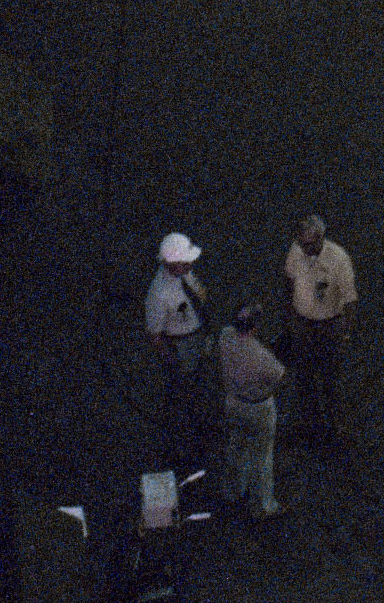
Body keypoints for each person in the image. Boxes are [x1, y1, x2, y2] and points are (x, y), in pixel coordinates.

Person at [282, 213, 358, 444]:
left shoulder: (338, 259)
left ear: (321, 238)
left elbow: (350, 299)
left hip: (329, 325)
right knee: (304, 378)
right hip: (304, 323)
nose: (305, 249)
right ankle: (310, 425)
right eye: (302, 243)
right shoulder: (296, 251)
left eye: (310, 244)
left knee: (331, 379)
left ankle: (336, 428)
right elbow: (289, 279)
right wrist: (291, 313)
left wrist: (345, 332)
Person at [216, 302, 287, 514]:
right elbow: (279, 377)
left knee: (236, 445)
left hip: (233, 402)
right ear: (254, 327)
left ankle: (232, 490)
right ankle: (263, 505)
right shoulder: (261, 356)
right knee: (262, 456)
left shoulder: (225, 337)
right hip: (259, 408)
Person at [144, 231, 208, 463]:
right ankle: (179, 445)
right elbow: (155, 335)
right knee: (180, 394)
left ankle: (197, 427)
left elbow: (199, 295)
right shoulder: (159, 294)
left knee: (196, 385)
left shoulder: (186, 274)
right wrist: (171, 360)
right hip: (180, 344)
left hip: (196, 335)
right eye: (187, 260)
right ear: (174, 264)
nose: (192, 262)